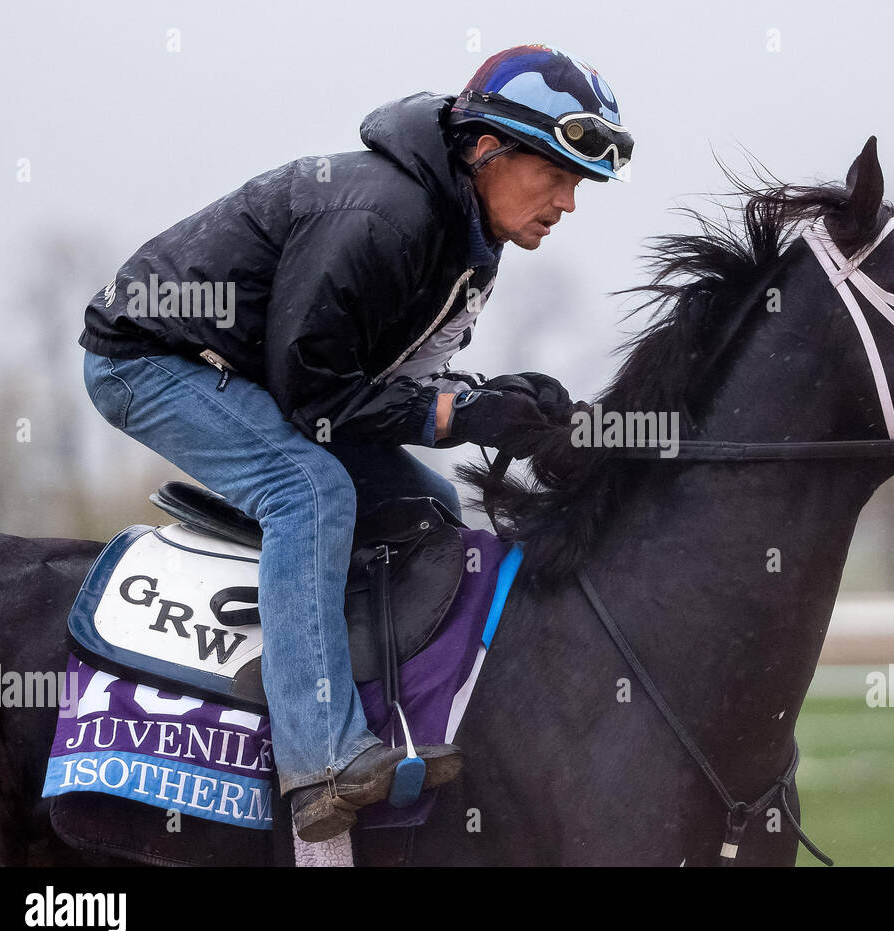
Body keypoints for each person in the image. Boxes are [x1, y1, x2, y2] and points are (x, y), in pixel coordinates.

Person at [77, 43, 633, 842]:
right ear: (485, 150)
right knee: (308, 490)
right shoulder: (382, 213)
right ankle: (322, 762)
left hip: (257, 373)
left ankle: (389, 705)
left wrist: (494, 401)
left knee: (428, 502)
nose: (569, 202)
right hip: (148, 364)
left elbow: (407, 384)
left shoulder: (470, 245)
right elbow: (318, 400)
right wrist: (461, 417)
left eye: (579, 183)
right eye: (556, 173)